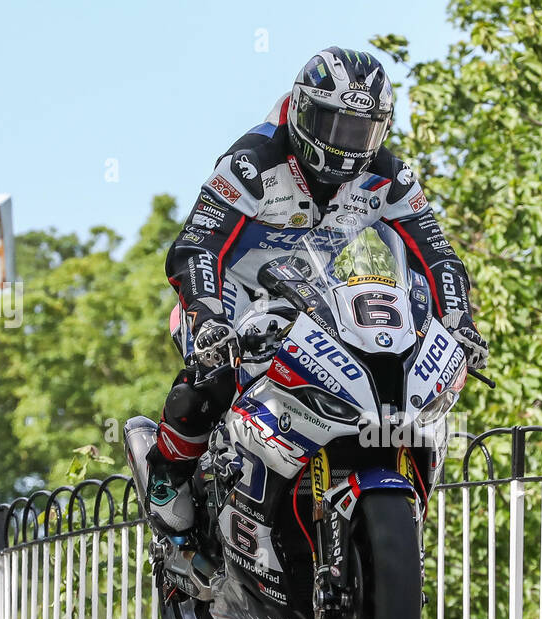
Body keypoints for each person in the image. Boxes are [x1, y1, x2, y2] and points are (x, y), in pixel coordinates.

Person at [145, 46, 489, 535]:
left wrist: (460, 323)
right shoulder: (251, 163)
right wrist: (208, 319)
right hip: (231, 296)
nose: (348, 144)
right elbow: (196, 247)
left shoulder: (389, 175)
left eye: (362, 131)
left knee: (377, 370)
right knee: (218, 378)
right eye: (335, 126)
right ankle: (169, 471)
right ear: (305, 111)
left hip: (314, 293)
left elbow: (437, 254)